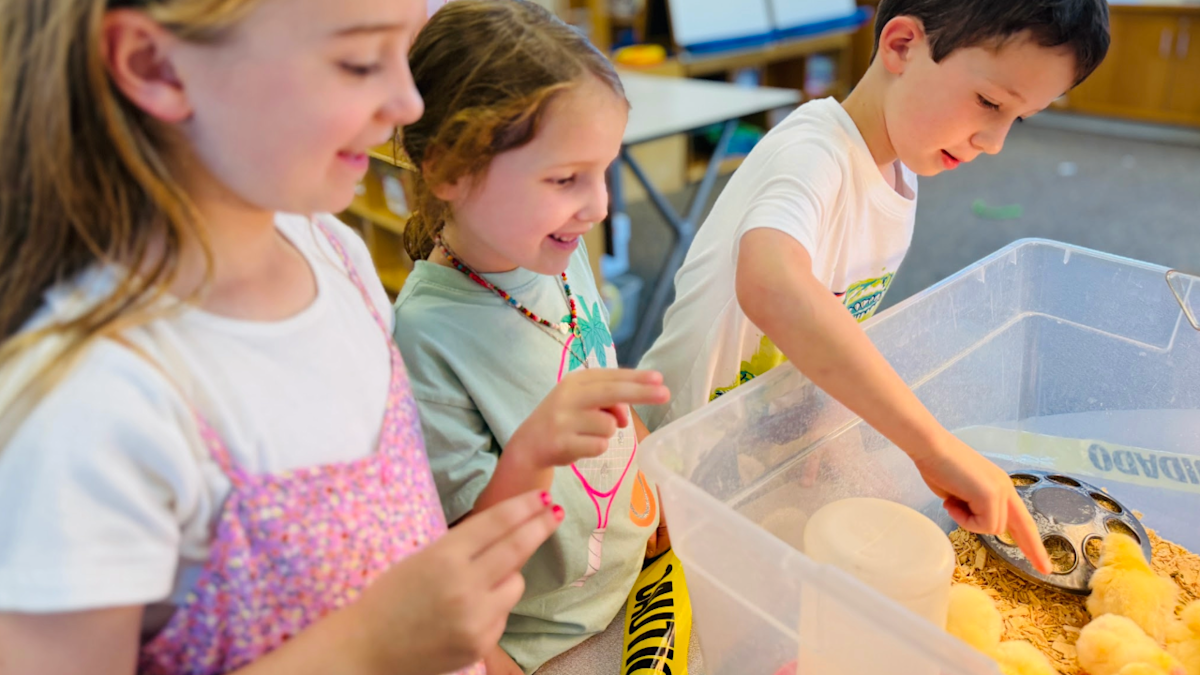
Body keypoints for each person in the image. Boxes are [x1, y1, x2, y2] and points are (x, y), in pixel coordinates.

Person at [0, 0, 584, 672]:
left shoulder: (332, 250)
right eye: (360, 60)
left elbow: (411, 546)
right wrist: (367, 646)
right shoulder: (82, 408)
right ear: (154, 65)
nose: (408, 105)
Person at [637, 0, 1111, 572]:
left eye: (1019, 117)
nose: (995, 141)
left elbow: (830, 319)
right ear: (902, 46)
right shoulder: (812, 153)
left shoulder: (900, 170)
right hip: (666, 467)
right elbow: (771, 280)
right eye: (989, 103)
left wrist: (826, 412)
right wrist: (932, 447)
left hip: (748, 466)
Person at [393, 1, 671, 673]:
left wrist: (651, 496)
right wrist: (533, 451)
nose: (600, 204)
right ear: (450, 173)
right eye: (564, 178)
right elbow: (464, 549)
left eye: (602, 170)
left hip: (634, 581)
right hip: (542, 640)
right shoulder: (425, 332)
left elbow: (593, 362)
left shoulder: (556, 247)